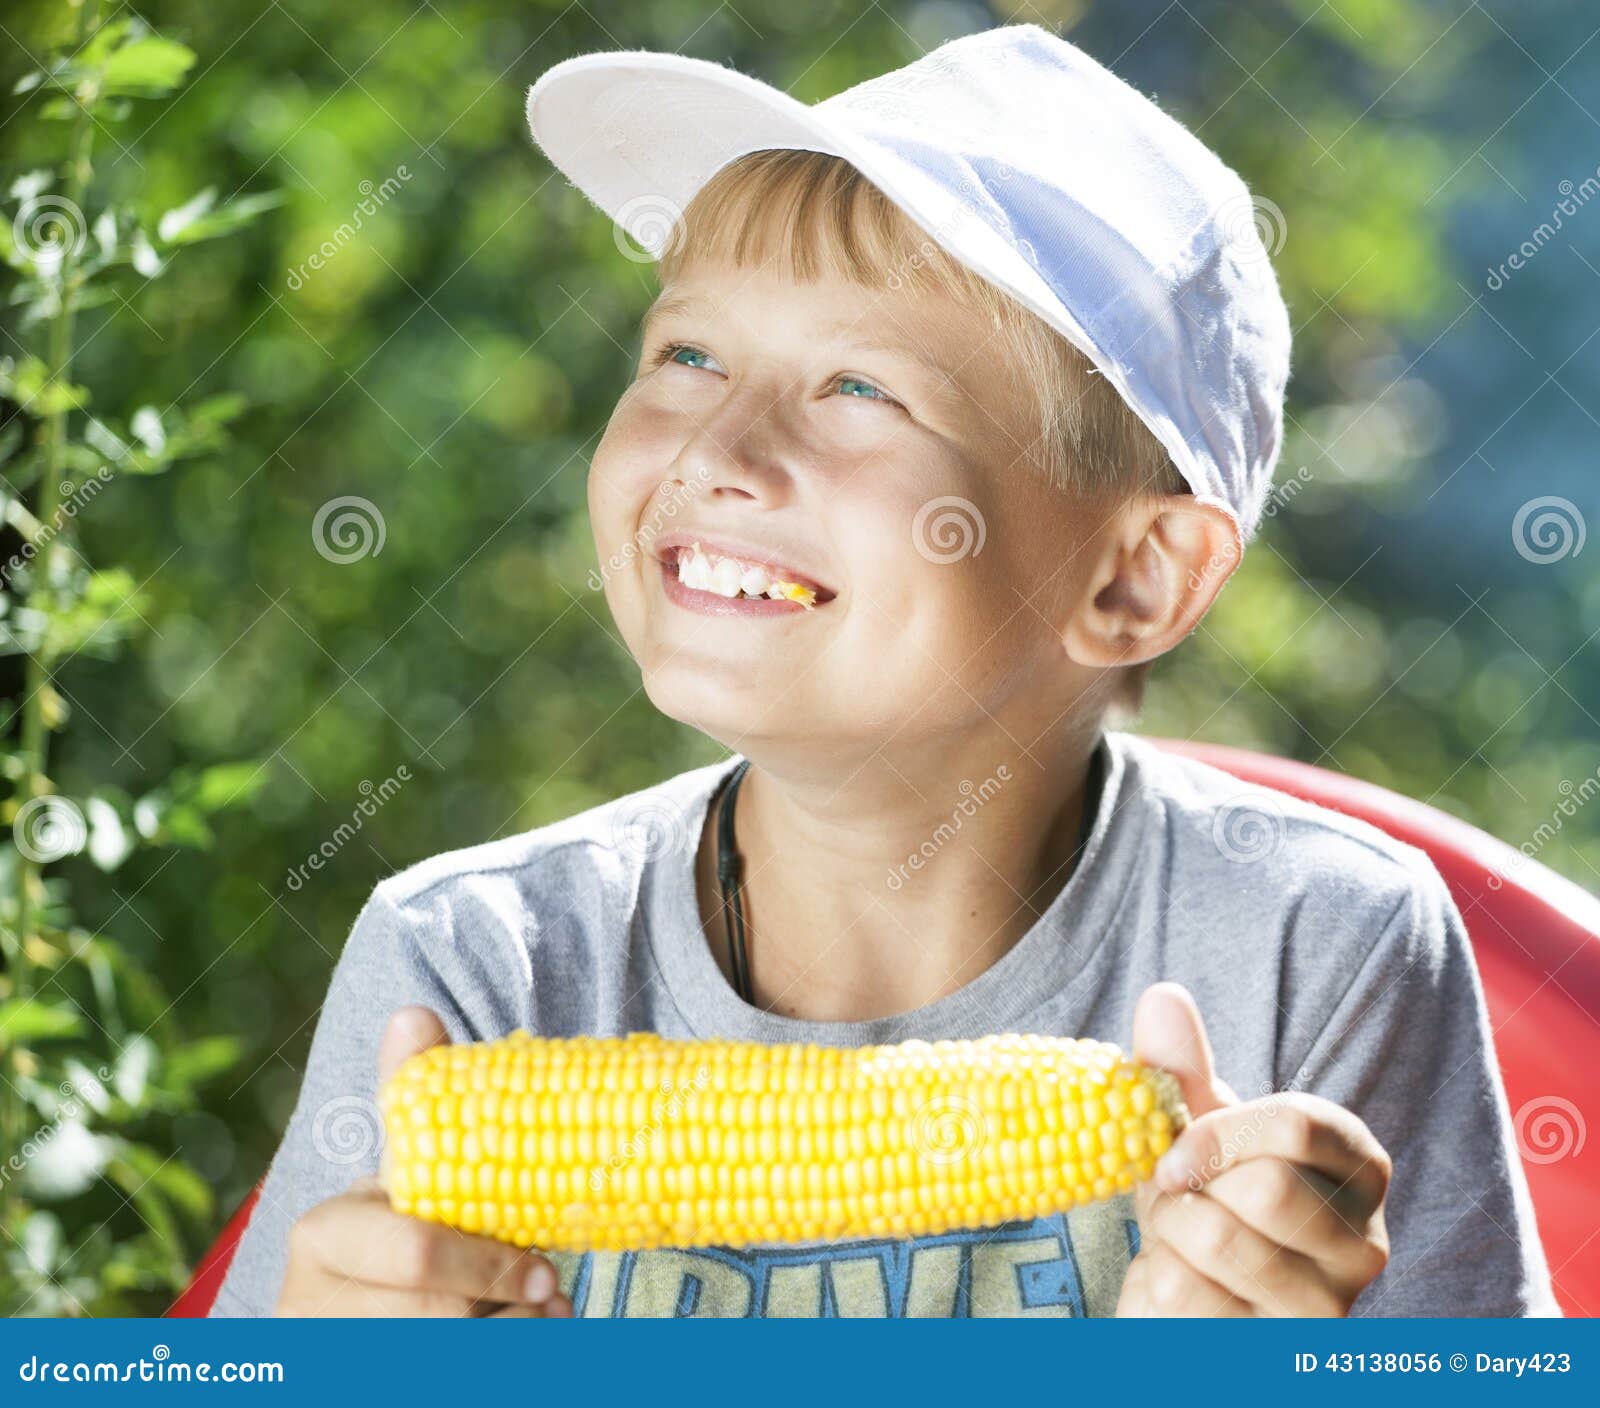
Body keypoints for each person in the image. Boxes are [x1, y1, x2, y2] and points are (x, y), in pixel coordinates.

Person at [211, 23, 1557, 1318]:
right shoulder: (475, 968)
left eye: (861, 389)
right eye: (687, 354)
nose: (719, 449)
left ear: (1133, 578)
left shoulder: (1314, 949)